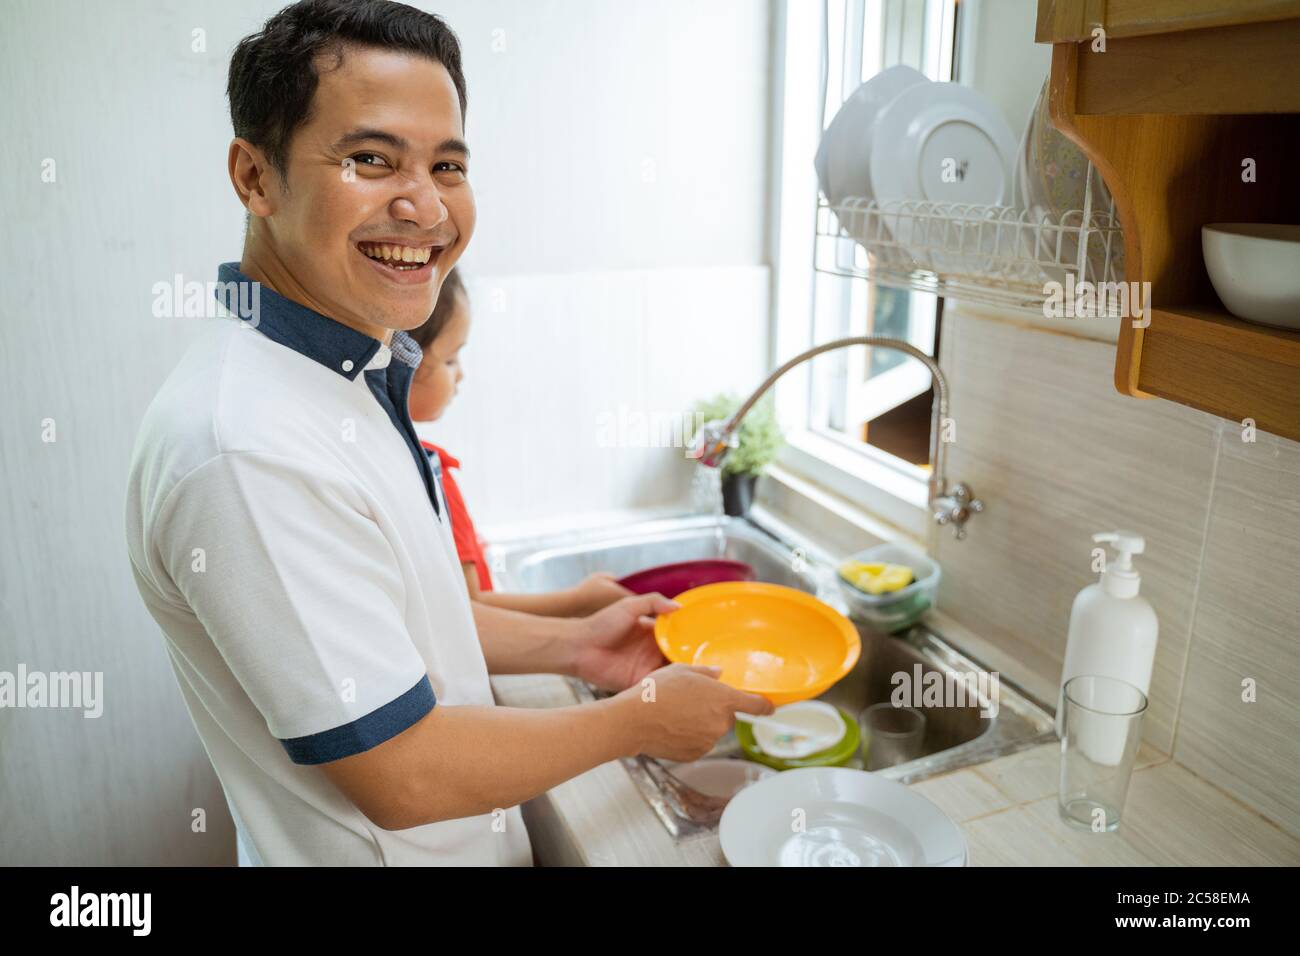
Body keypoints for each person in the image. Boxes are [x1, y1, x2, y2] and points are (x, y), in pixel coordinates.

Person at [124, 0, 772, 867]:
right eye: (370, 159)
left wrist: (578, 642)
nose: (426, 208)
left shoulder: (348, 369)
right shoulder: (246, 446)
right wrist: (640, 720)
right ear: (255, 177)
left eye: (448, 165)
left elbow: (410, 626)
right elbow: (405, 771)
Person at [407, 268, 632, 617]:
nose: (461, 374)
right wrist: (579, 601)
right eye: (450, 359)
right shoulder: (431, 473)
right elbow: (472, 609)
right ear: (400, 362)